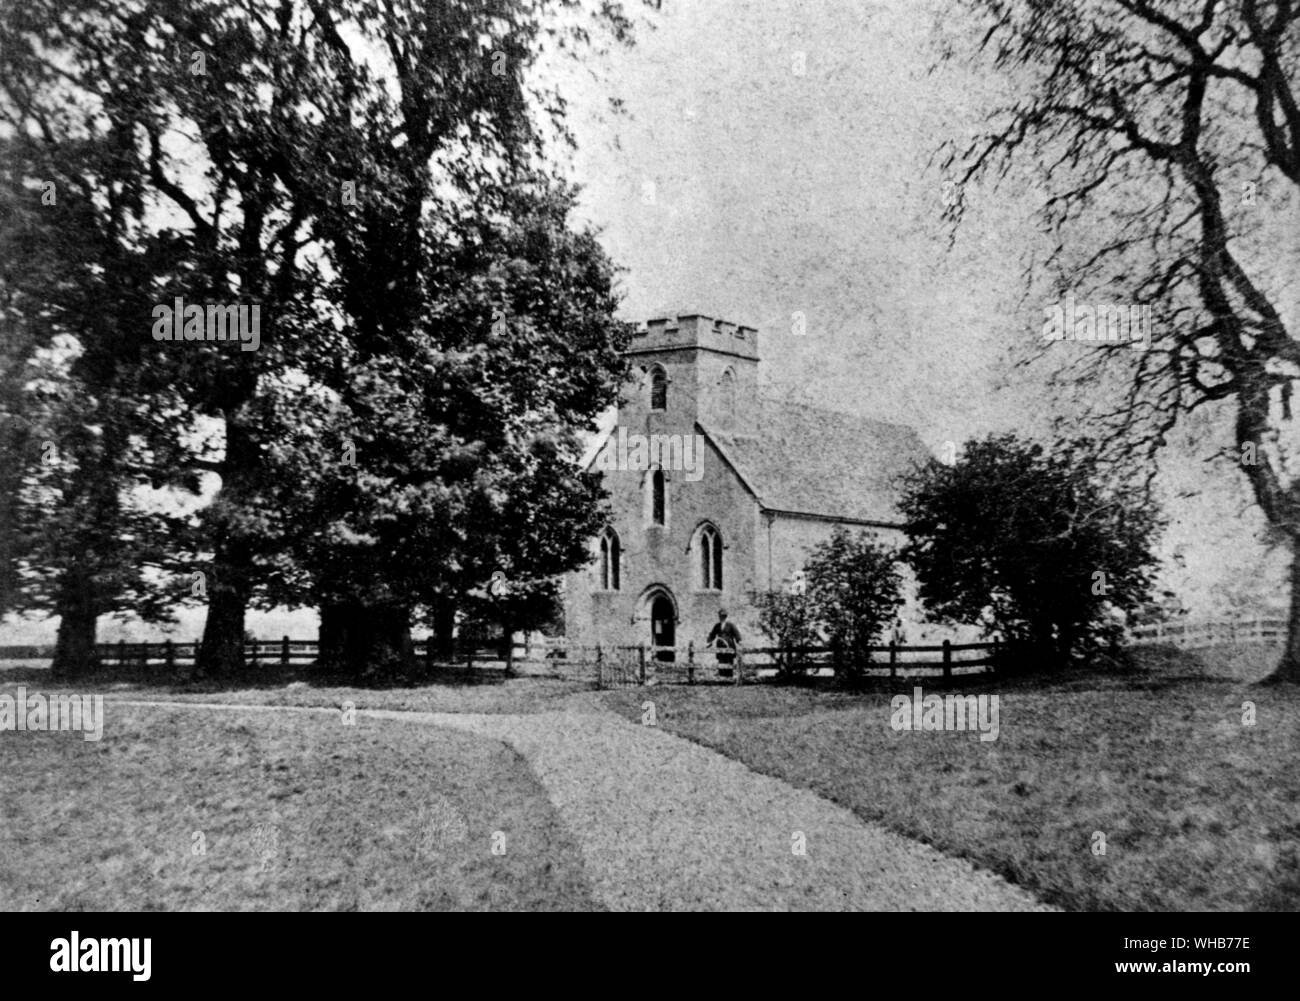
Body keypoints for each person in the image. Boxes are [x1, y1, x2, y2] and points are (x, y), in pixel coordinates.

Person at [706, 610, 741, 677]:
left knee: (729, 660)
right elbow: (712, 634)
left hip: (729, 645)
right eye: (721, 616)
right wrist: (709, 641)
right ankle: (722, 677)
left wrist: (739, 641)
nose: (722, 617)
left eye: (724, 616)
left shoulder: (731, 625)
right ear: (719, 616)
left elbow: (737, 634)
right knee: (721, 660)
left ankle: (729, 677)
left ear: (726, 617)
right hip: (720, 645)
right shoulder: (717, 625)